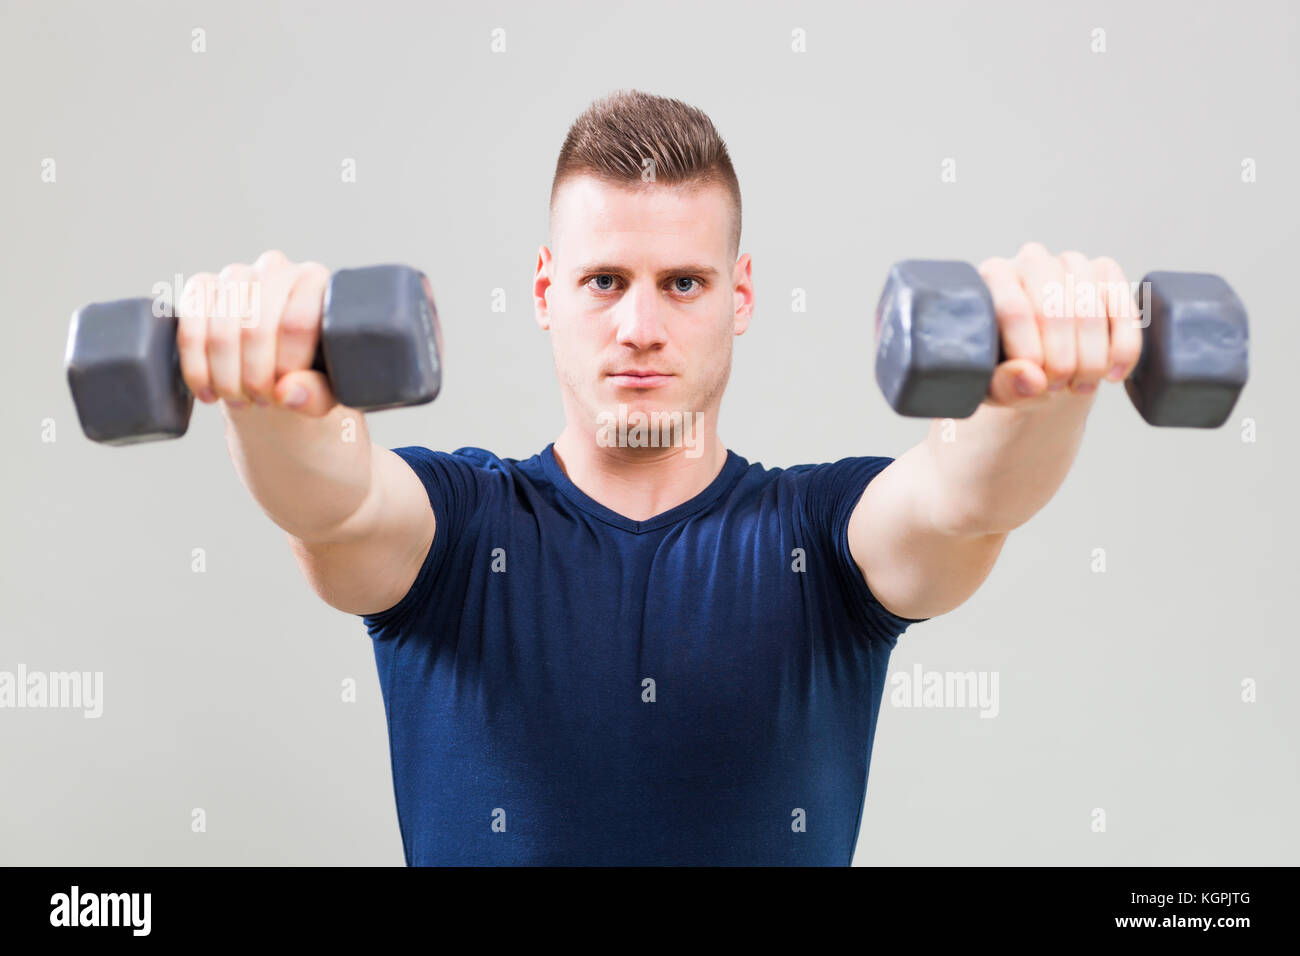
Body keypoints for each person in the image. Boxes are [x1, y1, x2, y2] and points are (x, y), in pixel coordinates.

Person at [174, 89, 1142, 865]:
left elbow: (965, 499)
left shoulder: (819, 532)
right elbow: (332, 504)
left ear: (741, 294)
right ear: (548, 290)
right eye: (605, 281)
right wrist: (272, 396)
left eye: (683, 282)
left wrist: (1044, 387)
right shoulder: (461, 526)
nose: (640, 325)